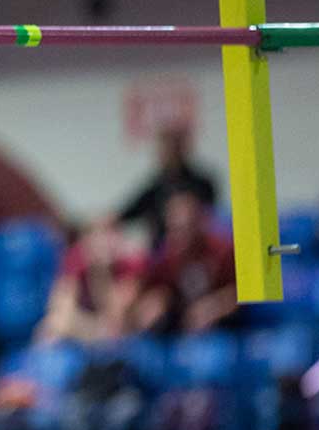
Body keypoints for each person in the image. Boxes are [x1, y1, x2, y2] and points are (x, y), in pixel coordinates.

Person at [132, 188, 237, 336]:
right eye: (174, 228)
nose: (179, 236)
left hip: (225, 328)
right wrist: (154, 303)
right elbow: (151, 291)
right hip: (181, 327)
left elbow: (240, 293)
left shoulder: (222, 250)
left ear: (200, 223)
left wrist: (215, 306)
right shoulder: (167, 256)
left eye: (186, 227)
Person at [36, 215, 144, 344]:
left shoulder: (130, 263)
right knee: (55, 323)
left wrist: (100, 271)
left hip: (123, 328)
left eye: (108, 235)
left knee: (110, 331)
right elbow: (61, 301)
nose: (102, 242)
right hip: (90, 322)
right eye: (97, 236)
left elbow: (115, 316)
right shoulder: (78, 256)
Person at [117, 126, 220, 245]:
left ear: (182, 149)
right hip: (161, 250)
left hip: (196, 248)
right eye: (162, 148)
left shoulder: (203, 185)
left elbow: (214, 219)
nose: (165, 153)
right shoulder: (154, 188)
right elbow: (129, 212)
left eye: (171, 147)